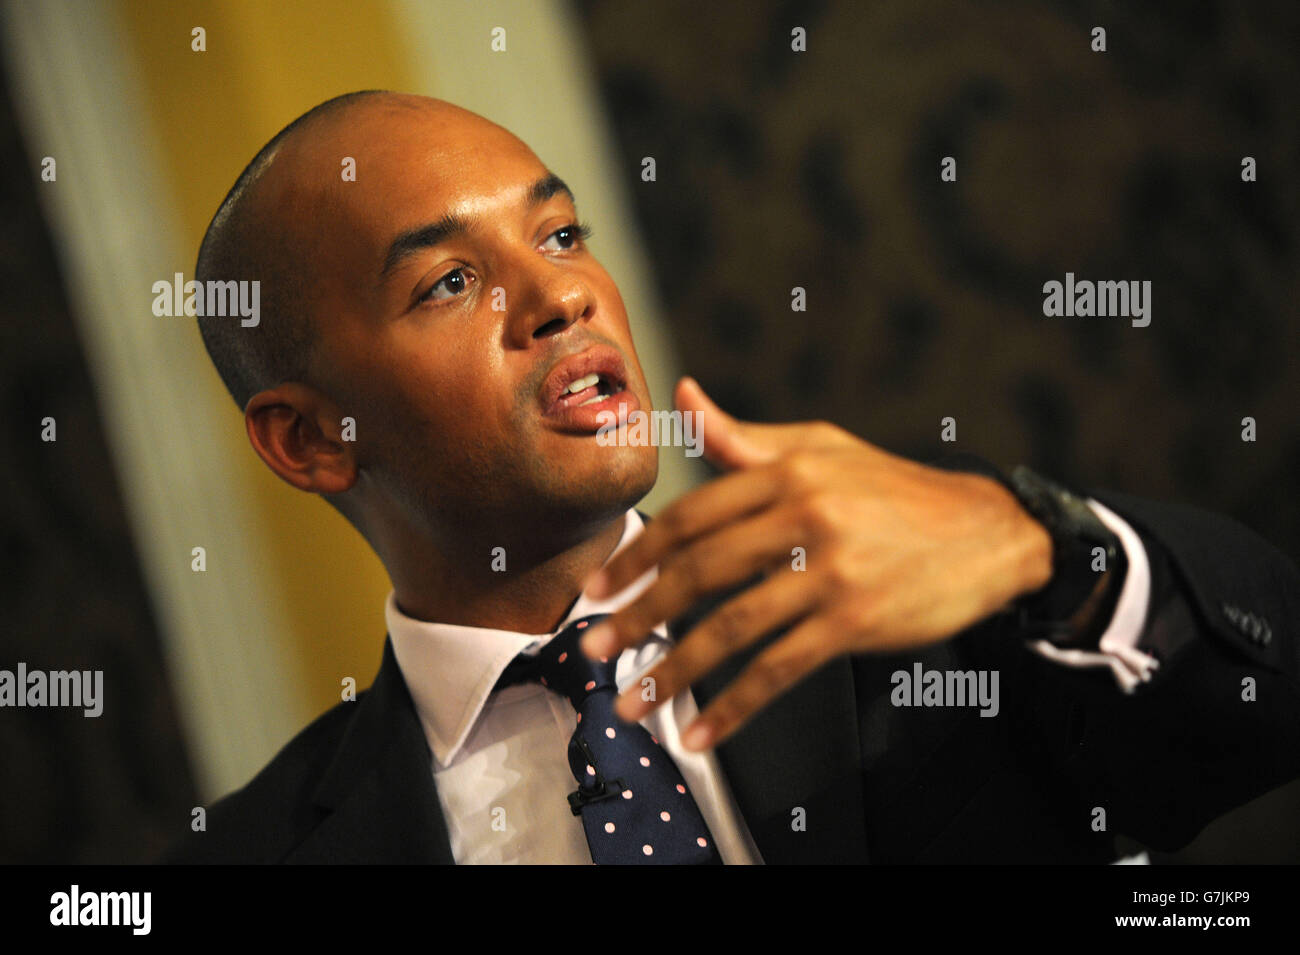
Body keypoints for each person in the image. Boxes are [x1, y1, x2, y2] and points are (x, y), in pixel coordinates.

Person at [165, 91, 1300, 864]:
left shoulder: (913, 599)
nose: (563, 296)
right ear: (309, 440)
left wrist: (1047, 547)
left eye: (560, 235)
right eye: (450, 282)